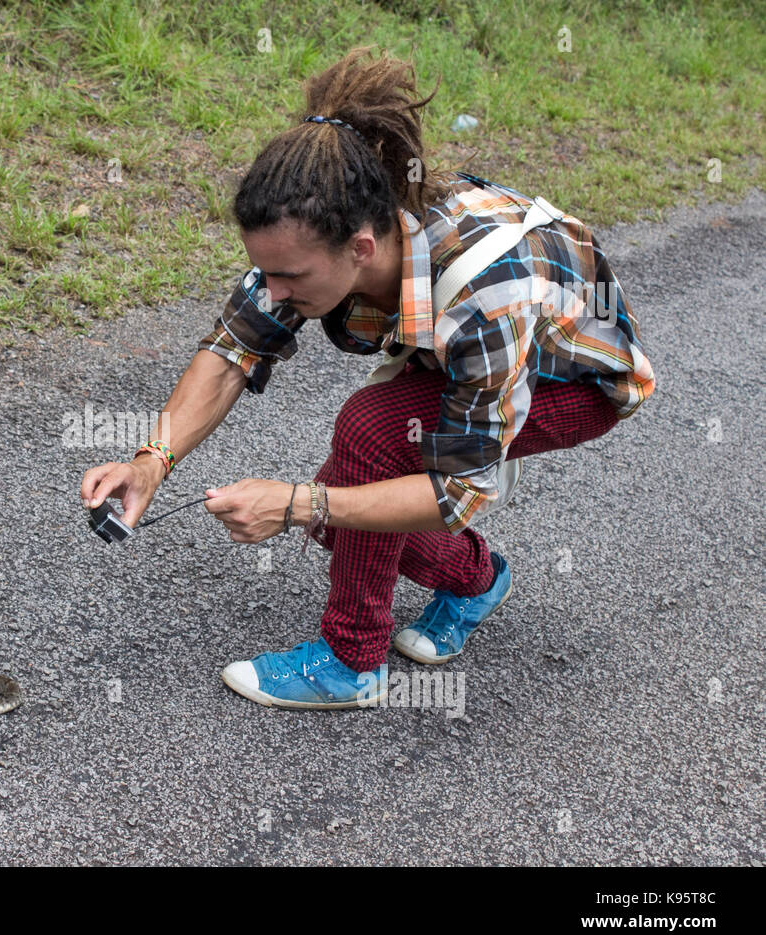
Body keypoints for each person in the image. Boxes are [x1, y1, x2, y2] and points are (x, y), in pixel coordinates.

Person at [79, 47, 654, 710]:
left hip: (573, 383)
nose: (271, 290)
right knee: (343, 507)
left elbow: (459, 491)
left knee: (367, 437)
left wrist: (294, 503)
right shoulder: (319, 240)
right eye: (263, 270)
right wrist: (152, 462)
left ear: (360, 249)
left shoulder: (485, 293)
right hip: (468, 357)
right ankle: (475, 579)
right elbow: (234, 347)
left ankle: (350, 663)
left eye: (289, 277)